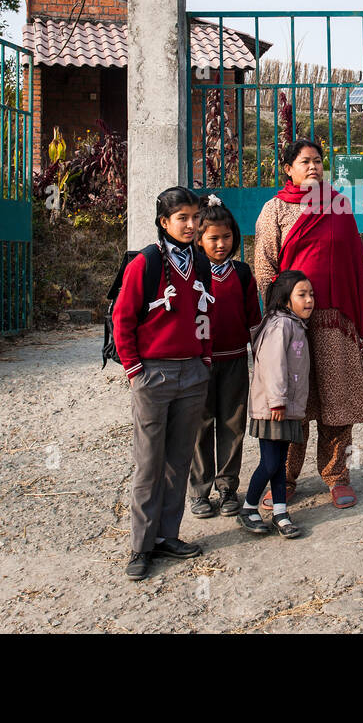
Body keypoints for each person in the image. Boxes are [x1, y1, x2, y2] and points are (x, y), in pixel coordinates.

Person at [254, 138, 363, 510]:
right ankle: (284, 477)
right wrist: (277, 319)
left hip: (335, 324)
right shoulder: (274, 210)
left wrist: (361, 313)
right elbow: (264, 268)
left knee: (338, 399)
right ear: (287, 168)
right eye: (304, 161)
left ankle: (338, 476)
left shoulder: (339, 206)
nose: (313, 167)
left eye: (318, 161)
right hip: (293, 326)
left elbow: (355, 263)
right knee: (292, 401)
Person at [113, 186, 213, 580]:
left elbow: (205, 313)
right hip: (153, 373)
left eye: (194, 217)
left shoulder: (200, 262)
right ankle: (140, 547)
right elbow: (123, 319)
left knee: (179, 460)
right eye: (182, 218)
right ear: (164, 222)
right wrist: (135, 369)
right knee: (148, 463)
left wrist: (204, 358)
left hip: (192, 373)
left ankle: (168, 536)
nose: (191, 225)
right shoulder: (146, 262)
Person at [188, 193, 262, 519]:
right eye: (213, 238)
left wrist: (260, 357)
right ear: (199, 239)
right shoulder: (188, 275)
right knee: (199, 426)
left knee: (233, 424)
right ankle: (200, 491)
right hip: (198, 363)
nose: (221, 244)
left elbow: (253, 320)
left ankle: (228, 486)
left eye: (227, 237)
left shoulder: (243, 274)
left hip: (234, 361)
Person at [238, 270, 315, 539]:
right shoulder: (280, 325)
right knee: (270, 463)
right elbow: (273, 366)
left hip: (284, 408)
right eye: (302, 295)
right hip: (273, 408)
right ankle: (248, 507)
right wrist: (278, 401)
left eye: (311, 294)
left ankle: (280, 512)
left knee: (278, 463)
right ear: (284, 300)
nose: (309, 300)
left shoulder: (294, 324)